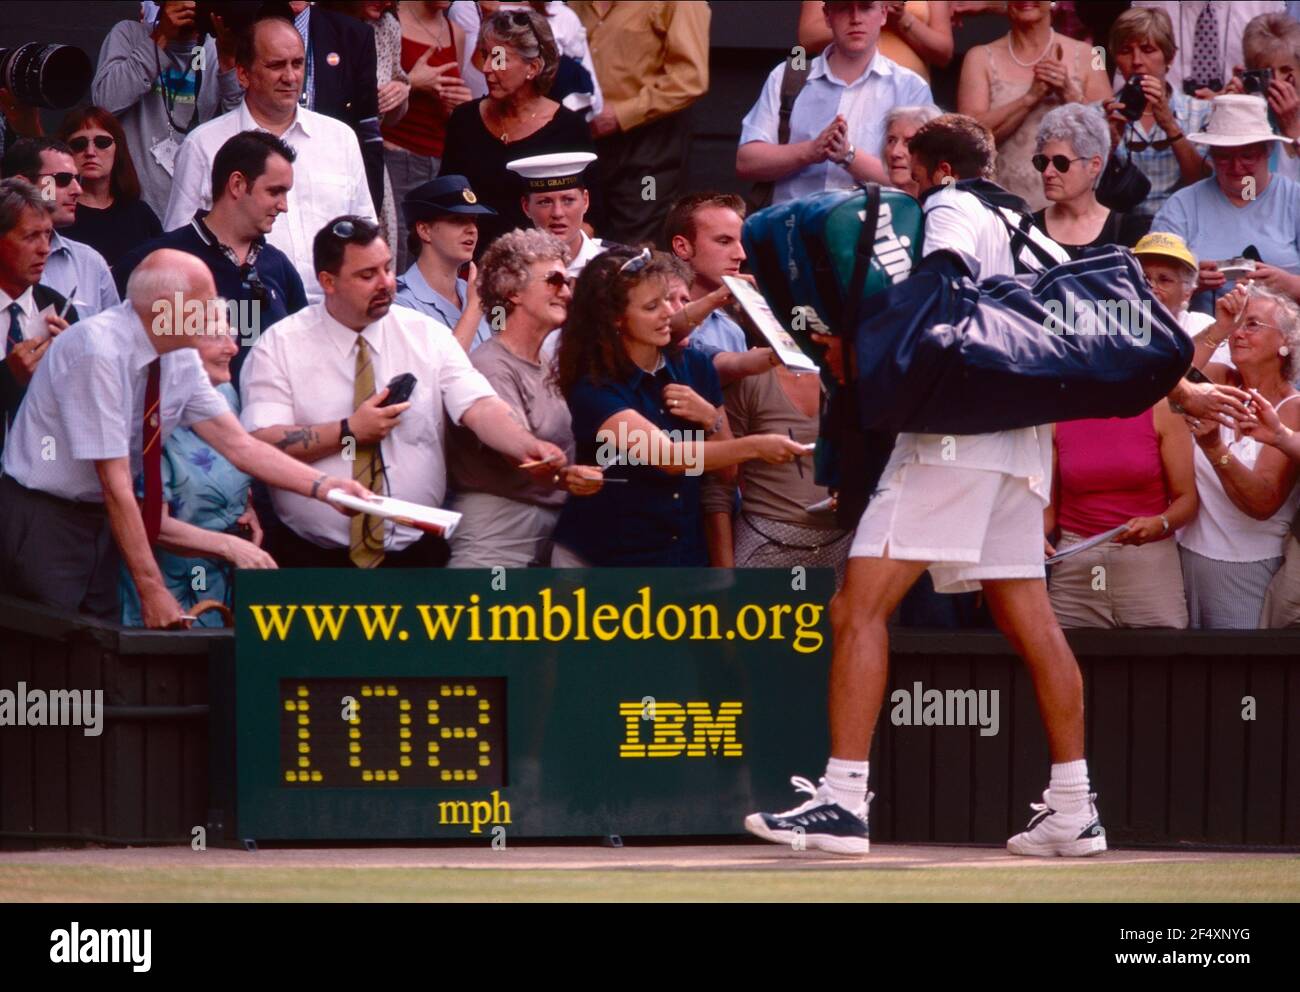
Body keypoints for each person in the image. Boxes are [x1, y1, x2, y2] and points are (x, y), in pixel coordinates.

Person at [745, 114, 1110, 858]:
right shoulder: (1024, 224)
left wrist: (859, 349)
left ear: (940, 171)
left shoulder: (948, 207)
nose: (904, 184)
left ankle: (844, 801)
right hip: (1020, 444)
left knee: (856, 608)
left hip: (954, 440)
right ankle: (1076, 809)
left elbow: (937, 293)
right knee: (1032, 622)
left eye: (910, 169)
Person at [0, 249, 370, 627]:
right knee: (47, 647)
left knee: (100, 648)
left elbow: (240, 445)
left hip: (102, 519)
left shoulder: (179, 354)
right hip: (44, 517)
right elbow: (116, 484)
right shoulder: (98, 351)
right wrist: (151, 588)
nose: (215, 313)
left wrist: (326, 487)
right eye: (204, 304)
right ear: (165, 310)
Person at [239, 215, 568, 569]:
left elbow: (480, 406)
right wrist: (349, 431)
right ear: (328, 282)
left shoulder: (427, 336)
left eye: (387, 268)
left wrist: (526, 446)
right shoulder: (280, 345)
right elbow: (259, 444)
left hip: (417, 556)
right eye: (367, 275)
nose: (385, 283)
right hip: (312, 559)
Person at [549, 247, 809, 568]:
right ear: (616, 318)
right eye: (652, 306)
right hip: (605, 561)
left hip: (680, 557)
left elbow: (725, 473)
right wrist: (756, 446)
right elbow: (668, 458)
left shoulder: (695, 366)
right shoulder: (594, 387)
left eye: (668, 300)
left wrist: (712, 420)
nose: (668, 313)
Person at [164, 15, 376, 303]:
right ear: (243, 74)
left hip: (334, 309)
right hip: (247, 310)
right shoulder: (204, 144)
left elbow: (366, 231)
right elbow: (178, 247)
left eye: (297, 64)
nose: (290, 77)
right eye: (276, 65)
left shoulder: (340, 138)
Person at [446, 228, 603, 567]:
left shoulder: (548, 362)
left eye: (568, 283)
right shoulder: (491, 365)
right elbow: (525, 459)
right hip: (499, 529)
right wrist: (569, 476)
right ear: (513, 292)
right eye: (554, 281)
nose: (565, 292)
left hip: (550, 523)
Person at [114, 130, 309, 382]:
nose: (284, 206)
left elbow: (303, 354)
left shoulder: (278, 266)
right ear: (237, 184)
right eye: (274, 192)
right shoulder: (154, 261)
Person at [119, 317, 274, 628]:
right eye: (217, 338)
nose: (233, 348)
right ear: (181, 347)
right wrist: (229, 546)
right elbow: (151, 522)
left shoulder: (225, 392)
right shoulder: (152, 408)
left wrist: (246, 506)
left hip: (223, 577)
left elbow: (235, 460)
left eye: (231, 335)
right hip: (169, 582)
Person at [1178, 282, 1300, 628]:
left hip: (1247, 566)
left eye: (1253, 325)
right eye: (1238, 325)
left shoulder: (1293, 409)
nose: (1239, 333)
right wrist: (1219, 328)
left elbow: (1263, 502)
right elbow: (1168, 380)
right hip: (1187, 555)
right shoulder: (1220, 380)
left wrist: (1215, 448)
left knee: (1237, 662)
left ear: (1286, 344)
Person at [737, 1, 934, 204]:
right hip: (792, 221)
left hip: (873, 222)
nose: (855, 19)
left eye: (865, 7)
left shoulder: (909, 87)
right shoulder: (788, 77)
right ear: (827, 16)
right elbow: (746, 161)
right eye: (844, 8)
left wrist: (848, 155)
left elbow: (917, 180)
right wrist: (809, 151)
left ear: (883, 13)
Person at [438, 8, 593, 256]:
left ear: (533, 67)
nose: (486, 68)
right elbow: (446, 203)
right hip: (472, 264)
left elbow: (590, 220)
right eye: (485, 56)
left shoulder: (569, 129)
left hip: (540, 263)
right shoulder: (464, 120)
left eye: (498, 58)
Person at [1046, 401, 1197, 629]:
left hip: (1147, 559)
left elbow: (1186, 499)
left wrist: (1160, 523)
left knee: (1160, 647)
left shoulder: (1161, 409)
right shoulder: (1057, 416)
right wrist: (1036, 536)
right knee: (1072, 648)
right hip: (1081, 562)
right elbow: (1047, 508)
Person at [571, 1, 711, 245]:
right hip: (583, 138)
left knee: (638, 239)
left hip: (647, 144)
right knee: (580, 233)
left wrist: (620, 114)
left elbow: (689, 79)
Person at [702, 360, 852, 585]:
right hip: (765, 542)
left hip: (838, 547)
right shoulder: (753, 379)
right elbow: (719, 483)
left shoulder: (849, 377)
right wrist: (723, 573)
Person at [91, 1, 243, 221]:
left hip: (190, 210)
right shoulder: (130, 35)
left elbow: (239, 130)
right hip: (132, 209)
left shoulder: (213, 49)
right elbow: (106, 101)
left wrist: (228, 59)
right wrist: (160, 37)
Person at [1151, 95, 1300, 313]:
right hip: (1203, 329)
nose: (1236, 167)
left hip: (1287, 329)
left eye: (1247, 156)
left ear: (1268, 151)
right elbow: (1150, 285)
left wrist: (1290, 285)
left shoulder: (1293, 199)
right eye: (1223, 157)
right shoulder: (1182, 205)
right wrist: (1189, 283)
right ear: (1210, 154)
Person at [958, 0, 1111, 211]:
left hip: (1074, 212)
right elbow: (967, 139)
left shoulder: (1090, 55)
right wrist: (1029, 99)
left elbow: (1109, 136)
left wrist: (1068, 91)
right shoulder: (979, 57)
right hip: (1003, 209)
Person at [319, 1, 415, 261]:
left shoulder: (387, 27)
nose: (386, 2)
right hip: (326, 158)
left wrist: (402, 93)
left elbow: (391, 118)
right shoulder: (316, 24)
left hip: (369, 159)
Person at [382, 1, 472, 271]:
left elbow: (484, 74)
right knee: (398, 253)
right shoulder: (390, 22)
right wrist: (412, 83)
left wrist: (460, 107)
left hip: (441, 163)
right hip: (398, 158)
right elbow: (370, 97)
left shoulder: (457, 31)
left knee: (435, 258)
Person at [1102, 7, 1213, 222]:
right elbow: (1085, 191)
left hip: (1181, 224)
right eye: (1126, 51)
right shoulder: (1100, 114)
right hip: (1118, 227)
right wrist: (1109, 144)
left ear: (1169, 57)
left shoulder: (1201, 112)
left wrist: (1170, 126)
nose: (1137, 61)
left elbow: (1204, 185)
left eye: (1147, 49)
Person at [0, 139, 120, 319]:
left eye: (77, 179)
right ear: (22, 185)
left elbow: (114, 334)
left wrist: (72, 335)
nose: (78, 190)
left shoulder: (90, 263)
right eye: (62, 179)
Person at [286, 0, 385, 217]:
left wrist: (367, 215)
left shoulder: (353, 36)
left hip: (330, 195)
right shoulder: (241, 26)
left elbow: (368, 132)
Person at [0, 180, 75, 457]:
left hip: (44, 468)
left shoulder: (59, 308)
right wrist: (8, 377)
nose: (45, 248)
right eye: (31, 236)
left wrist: (72, 361)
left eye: (48, 234)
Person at [393, 175, 495, 353]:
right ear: (424, 230)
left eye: (474, 220)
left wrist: (502, 304)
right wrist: (474, 307)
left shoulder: (474, 291)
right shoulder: (399, 302)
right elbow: (442, 367)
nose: (472, 229)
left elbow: (501, 337)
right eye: (457, 220)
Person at [1030, 103, 1148, 257]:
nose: (1047, 172)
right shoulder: (1028, 228)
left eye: (1061, 163)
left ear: (1094, 166)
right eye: (1042, 162)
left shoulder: (1129, 232)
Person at [57, 107, 164, 269]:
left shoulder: (140, 214)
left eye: (102, 142)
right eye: (78, 144)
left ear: (117, 149)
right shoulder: (58, 215)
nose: (90, 152)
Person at [1128, 1, 1287, 98]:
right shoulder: (1146, 4)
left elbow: (1282, 79)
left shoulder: (1267, 5)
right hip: (1166, 123)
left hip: (1239, 123)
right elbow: (1125, 75)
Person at [798, 0, 956, 82]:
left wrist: (901, 18)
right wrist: (868, 13)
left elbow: (944, 53)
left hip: (908, 102)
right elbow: (808, 37)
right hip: (843, 88)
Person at [510, 151, 610, 277]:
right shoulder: (512, 273)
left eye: (568, 200)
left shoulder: (617, 266)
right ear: (526, 207)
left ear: (585, 201)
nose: (557, 213)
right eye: (545, 202)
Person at [1228, 13, 1300, 183]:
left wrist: (1294, 131)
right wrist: (1233, 117)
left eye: (1285, 70)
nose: (1277, 81)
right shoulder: (1254, 114)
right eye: (1267, 73)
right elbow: (1244, 190)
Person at [882, 104, 942, 195]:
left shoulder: (950, 202)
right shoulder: (875, 202)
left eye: (909, 142)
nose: (894, 153)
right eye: (891, 141)